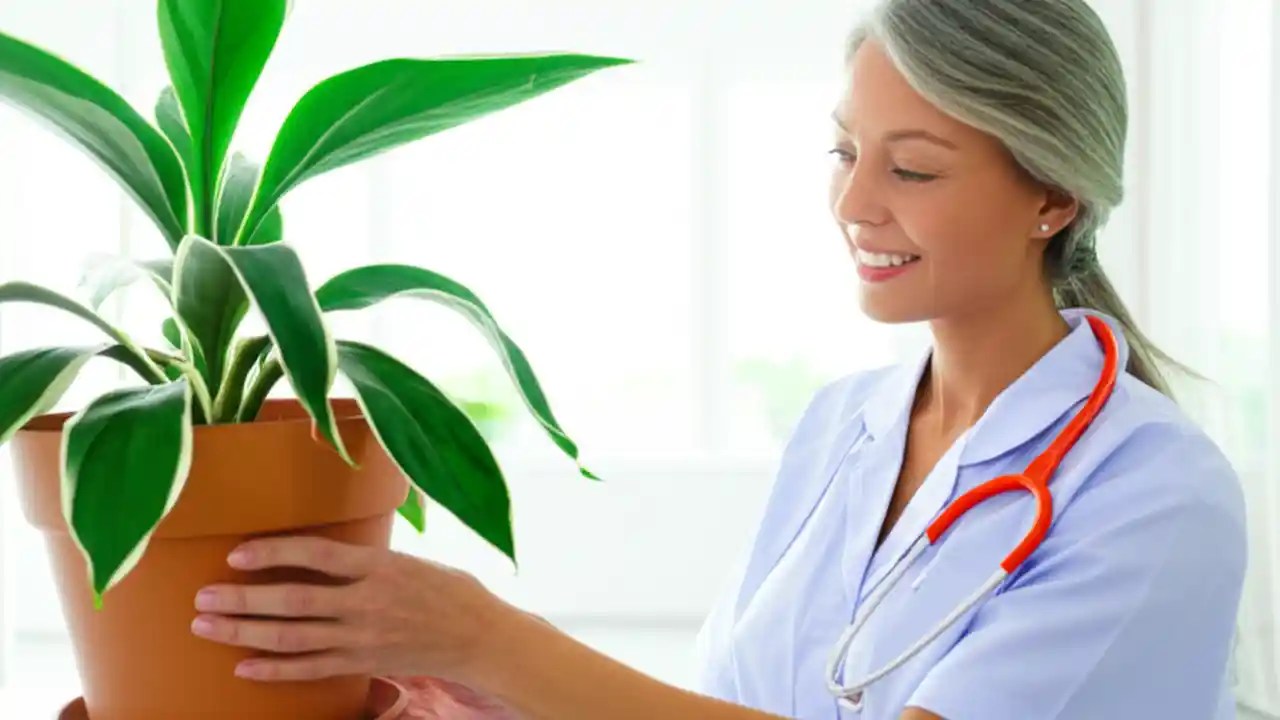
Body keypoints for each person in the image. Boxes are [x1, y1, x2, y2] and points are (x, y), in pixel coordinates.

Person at [187, 0, 1248, 717]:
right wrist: (501, 695)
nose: (852, 202)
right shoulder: (845, 426)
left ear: (1052, 197)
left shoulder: (1152, 493)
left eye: (913, 170)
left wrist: (492, 642)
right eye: (844, 151)